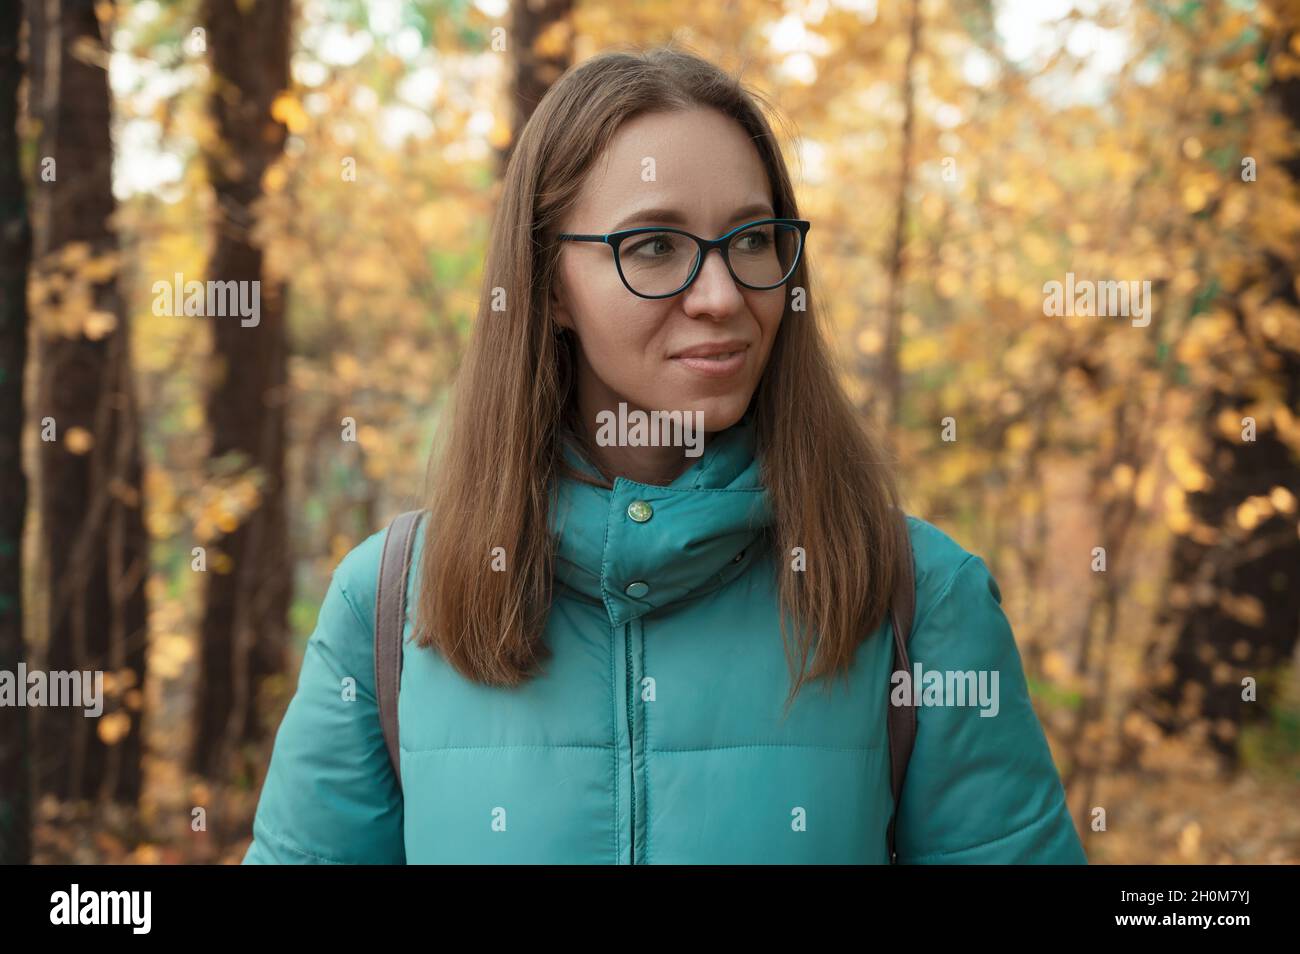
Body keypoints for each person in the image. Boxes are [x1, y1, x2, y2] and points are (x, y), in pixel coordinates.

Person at [242, 46, 1087, 864]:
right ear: (549, 288)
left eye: (753, 240)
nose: (722, 296)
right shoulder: (387, 608)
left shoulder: (919, 599)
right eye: (653, 247)